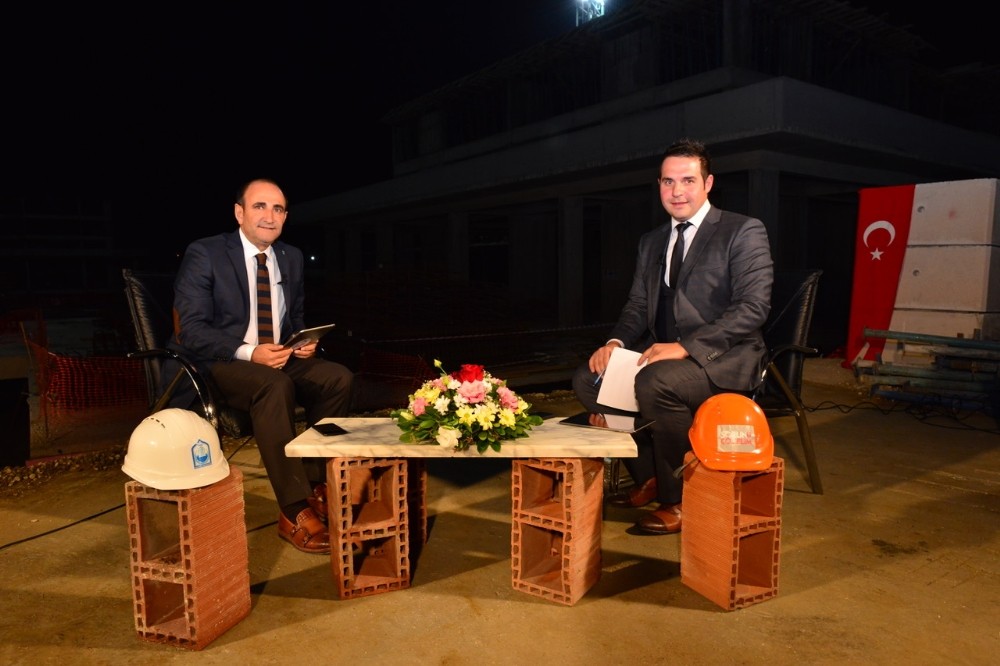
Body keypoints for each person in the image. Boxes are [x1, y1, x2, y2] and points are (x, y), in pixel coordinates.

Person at [572, 139, 773, 535]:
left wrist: (685, 347)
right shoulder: (651, 242)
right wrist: (614, 345)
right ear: (659, 186)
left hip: (726, 359)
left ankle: (678, 499)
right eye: (668, 182)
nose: (677, 191)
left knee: (654, 383)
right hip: (664, 358)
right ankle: (649, 475)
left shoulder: (742, 231)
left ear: (708, 183)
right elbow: (636, 306)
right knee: (588, 379)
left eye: (688, 180)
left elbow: (753, 308)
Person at [166, 178, 354, 554]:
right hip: (217, 363)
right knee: (274, 385)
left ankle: (315, 484)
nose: (270, 216)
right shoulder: (206, 253)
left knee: (338, 378)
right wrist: (249, 352)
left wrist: (303, 343)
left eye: (278, 208)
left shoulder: (290, 256)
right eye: (260, 206)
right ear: (239, 213)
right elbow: (192, 330)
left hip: (276, 356)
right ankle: (293, 509)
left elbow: (293, 317)